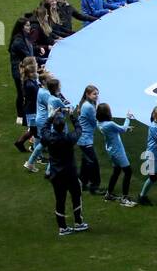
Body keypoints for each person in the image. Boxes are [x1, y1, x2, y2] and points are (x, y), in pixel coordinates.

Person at [41, 106, 88, 237]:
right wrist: (72, 116)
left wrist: (51, 116)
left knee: (60, 200)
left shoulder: (49, 138)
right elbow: (79, 129)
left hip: (56, 175)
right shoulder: (69, 138)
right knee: (76, 197)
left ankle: (62, 227)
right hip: (71, 174)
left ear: (54, 127)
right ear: (63, 126)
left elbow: (43, 129)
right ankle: (78, 223)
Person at [95, 103, 136, 206]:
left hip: (111, 150)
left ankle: (108, 194)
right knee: (128, 172)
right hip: (118, 151)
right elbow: (122, 129)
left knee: (117, 171)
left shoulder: (99, 123)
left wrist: (127, 128)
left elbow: (116, 131)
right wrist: (128, 117)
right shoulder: (110, 124)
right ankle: (125, 198)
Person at [75, 85, 102, 194]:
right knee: (93, 163)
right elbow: (95, 122)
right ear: (87, 94)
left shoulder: (85, 104)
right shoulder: (89, 107)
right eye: (94, 94)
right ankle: (94, 187)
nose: (96, 96)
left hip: (83, 138)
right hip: (85, 139)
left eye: (97, 94)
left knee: (86, 162)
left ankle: (82, 182)